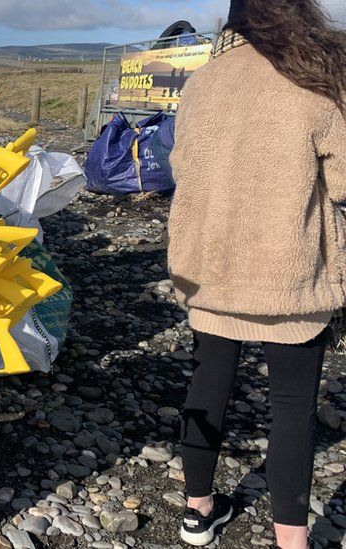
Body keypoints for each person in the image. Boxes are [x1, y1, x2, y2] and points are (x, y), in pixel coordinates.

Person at [168, 0, 346, 548]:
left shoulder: (203, 82)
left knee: (206, 385)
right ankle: (291, 541)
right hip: (288, 271)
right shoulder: (316, 78)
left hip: (209, 265)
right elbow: (343, 182)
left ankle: (198, 513)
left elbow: (181, 168)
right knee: (293, 408)